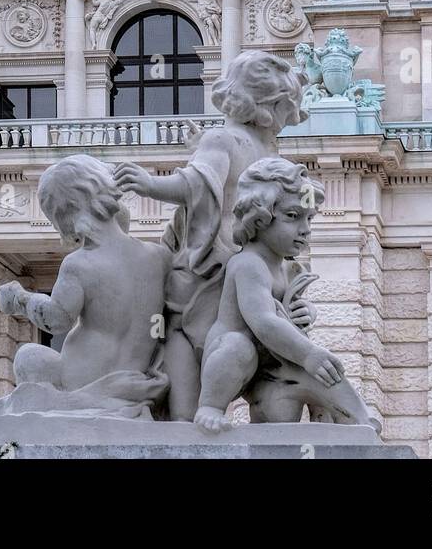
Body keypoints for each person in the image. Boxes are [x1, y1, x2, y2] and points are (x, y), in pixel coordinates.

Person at [114, 50, 305, 420]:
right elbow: (199, 182)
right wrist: (149, 184)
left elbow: (210, 178)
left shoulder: (238, 143)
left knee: (198, 373)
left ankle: (191, 416)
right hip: (220, 272)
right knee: (215, 361)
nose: (289, 119)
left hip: (222, 273)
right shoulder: (238, 143)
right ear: (266, 106)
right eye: (286, 108)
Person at [194, 157, 372, 430]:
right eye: (292, 216)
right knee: (238, 348)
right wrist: (309, 355)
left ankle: (351, 418)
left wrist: (305, 312)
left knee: (282, 413)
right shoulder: (248, 263)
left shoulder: (290, 269)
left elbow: (286, 315)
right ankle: (210, 407)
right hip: (234, 361)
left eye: (309, 219)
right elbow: (263, 322)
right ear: (259, 217)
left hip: (272, 368)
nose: (305, 229)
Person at [0, 156, 170, 417]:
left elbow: (57, 319)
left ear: (63, 217)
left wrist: (21, 298)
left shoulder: (79, 264)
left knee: (28, 356)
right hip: (136, 378)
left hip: (82, 381)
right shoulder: (159, 257)